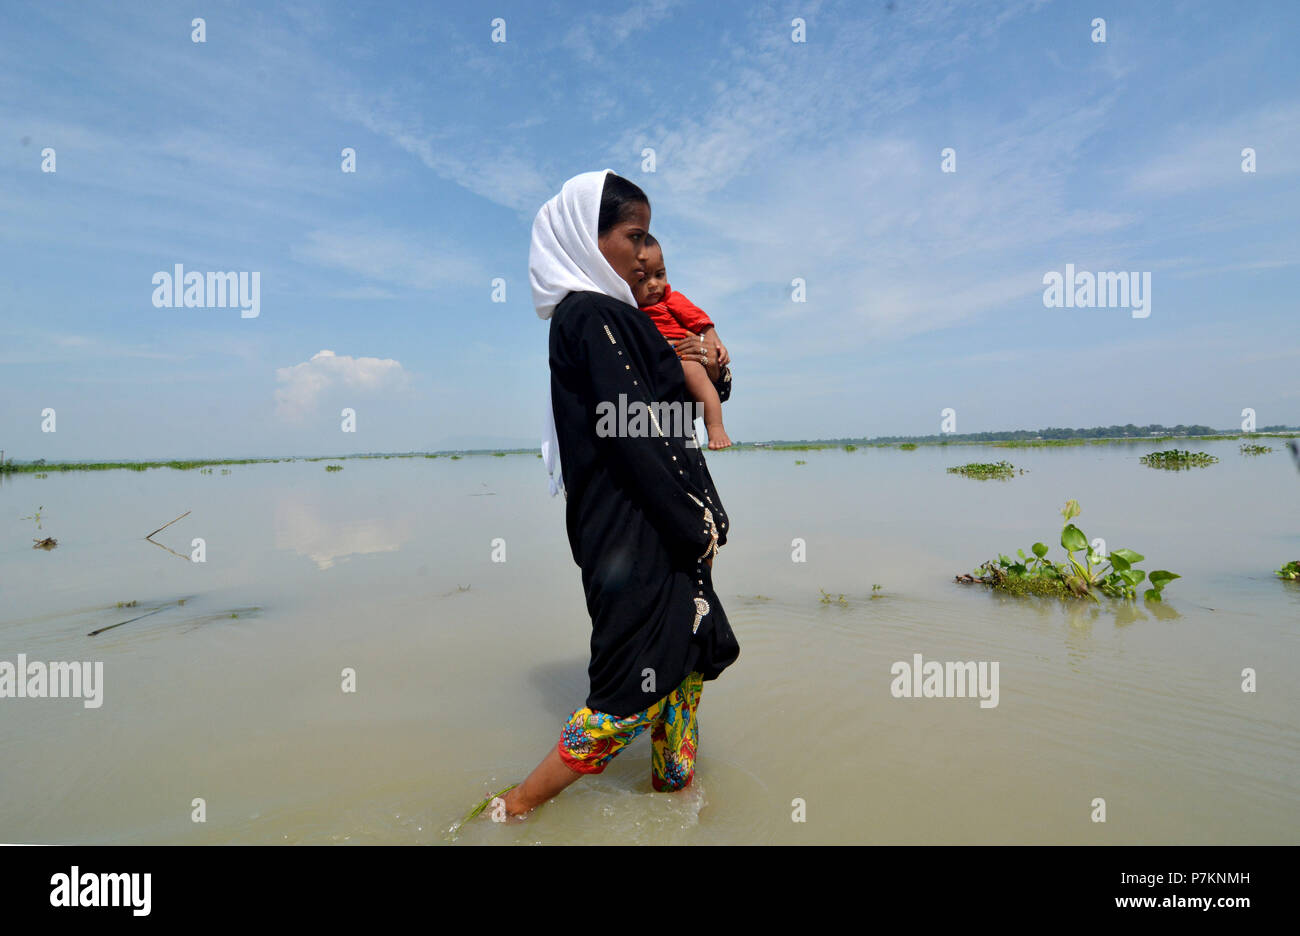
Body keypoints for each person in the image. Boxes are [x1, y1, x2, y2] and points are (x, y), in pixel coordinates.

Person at [493, 169, 740, 820]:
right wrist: (698, 520)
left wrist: (714, 369)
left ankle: (674, 795)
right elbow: (633, 429)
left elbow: (674, 407)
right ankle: (513, 809)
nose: (645, 250)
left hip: (666, 526)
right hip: (634, 527)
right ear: (586, 237)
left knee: (683, 671)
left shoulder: (628, 319)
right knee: (624, 698)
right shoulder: (589, 316)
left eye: (649, 235)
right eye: (633, 235)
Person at [631, 234, 733, 449]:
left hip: (683, 352)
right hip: (658, 367)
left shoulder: (671, 299)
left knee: (697, 378)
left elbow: (700, 322)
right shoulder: (629, 308)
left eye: (660, 275)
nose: (653, 284)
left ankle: (715, 427)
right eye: (643, 279)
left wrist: (715, 344)